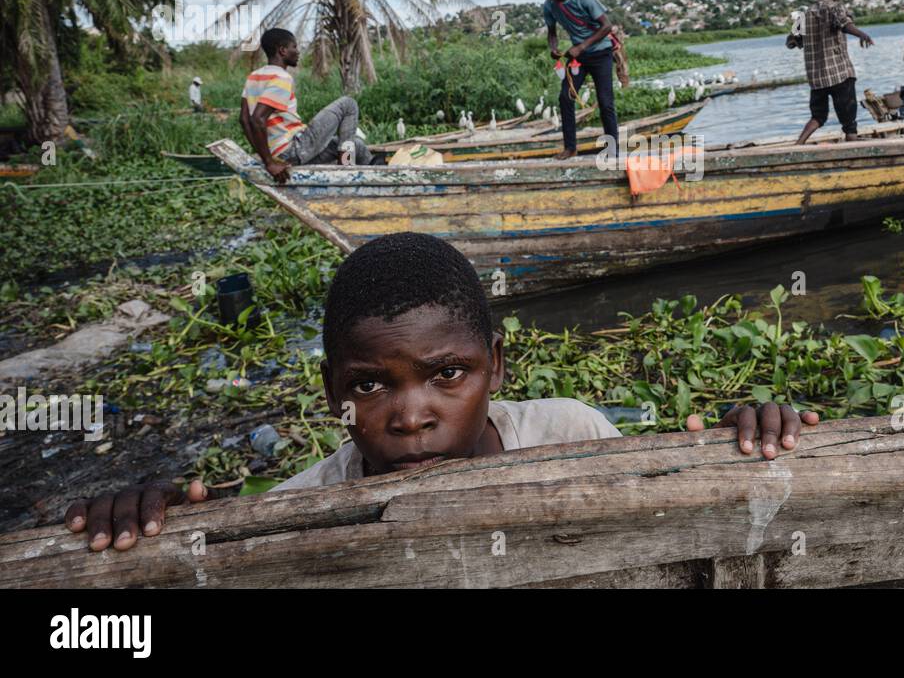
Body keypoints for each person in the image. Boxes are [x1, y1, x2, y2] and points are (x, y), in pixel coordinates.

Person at [63, 232, 818, 550]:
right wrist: (135, 532)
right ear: (334, 390)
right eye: (369, 384)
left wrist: (738, 441)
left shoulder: (572, 433)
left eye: (447, 375)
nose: (411, 415)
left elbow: (663, 504)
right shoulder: (297, 509)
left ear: (497, 365)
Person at [239, 27, 372, 184]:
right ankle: (346, 168)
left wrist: (266, 155)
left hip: (284, 152)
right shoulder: (281, 77)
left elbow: (244, 120)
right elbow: (257, 119)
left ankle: (369, 170)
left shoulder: (254, 77)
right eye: (294, 47)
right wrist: (269, 163)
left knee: (357, 146)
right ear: (282, 50)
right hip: (293, 149)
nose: (298, 51)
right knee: (348, 104)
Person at [538, 0, 618, 160]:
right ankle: (570, 148)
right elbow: (552, 33)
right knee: (565, 97)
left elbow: (606, 26)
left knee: (606, 103)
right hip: (578, 59)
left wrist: (581, 47)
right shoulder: (549, 6)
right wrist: (554, 48)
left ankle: (612, 150)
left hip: (600, 54)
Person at [787, 0, 874, 144]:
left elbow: (791, 42)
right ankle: (853, 147)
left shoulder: (803, 16)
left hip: (817, 79)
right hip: (839, 74)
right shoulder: (834, 8)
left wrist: (806, 38)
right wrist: (862, 34)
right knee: (849, 123)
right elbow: (845, 24)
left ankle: (798, 145)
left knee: (818, 117)